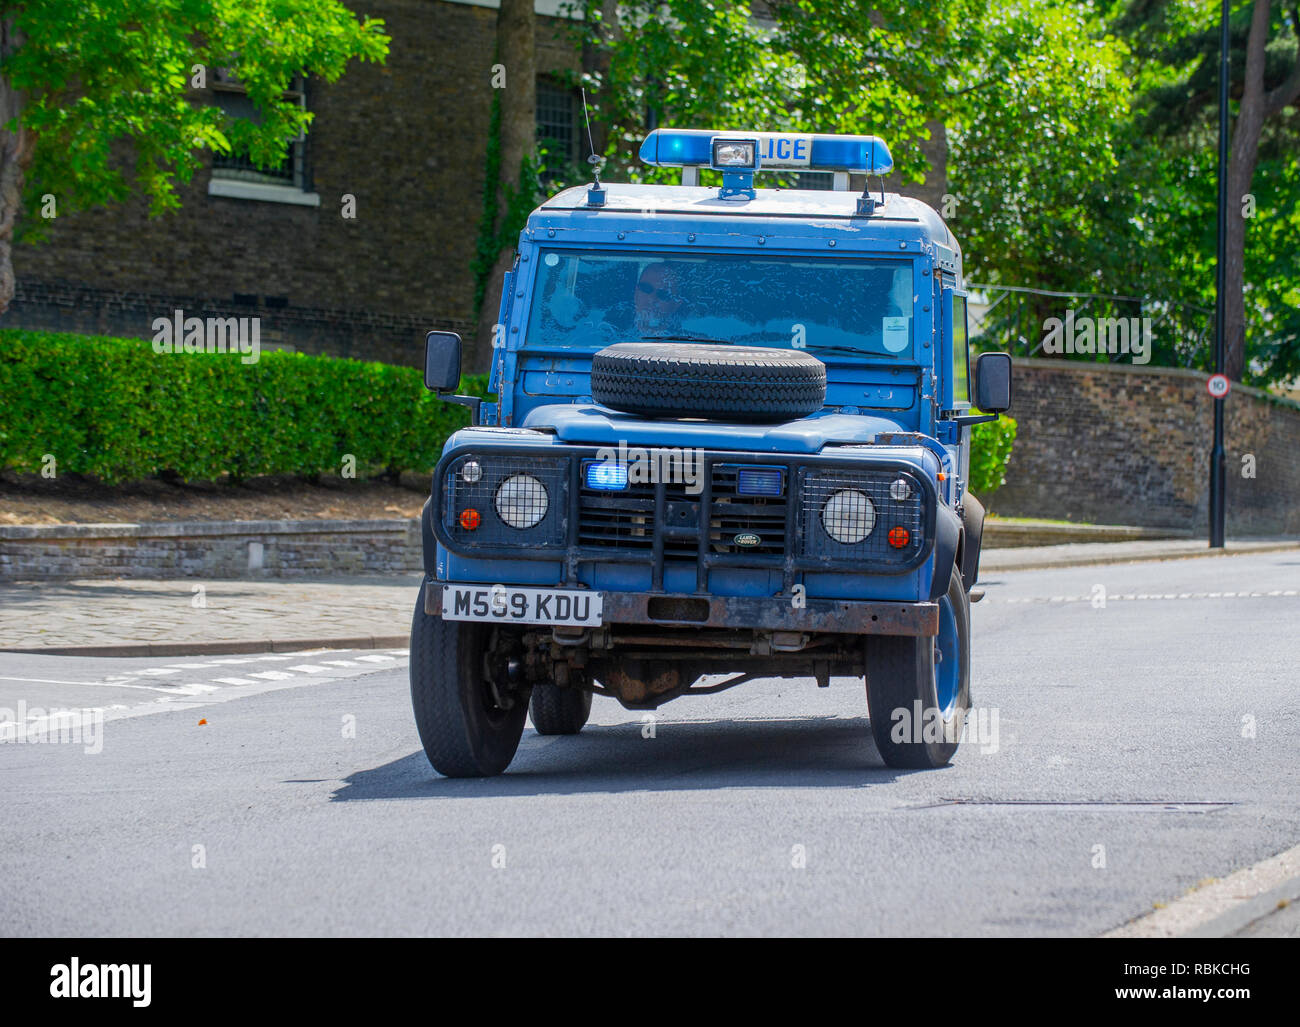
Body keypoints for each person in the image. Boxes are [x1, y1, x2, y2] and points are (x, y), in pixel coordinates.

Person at [633, 262, 686, 335]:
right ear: (636, 293)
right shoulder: (615, 340)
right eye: (646, 288)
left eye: (663, 294)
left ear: (676, 304)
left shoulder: (693, 343)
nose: (652, 298)